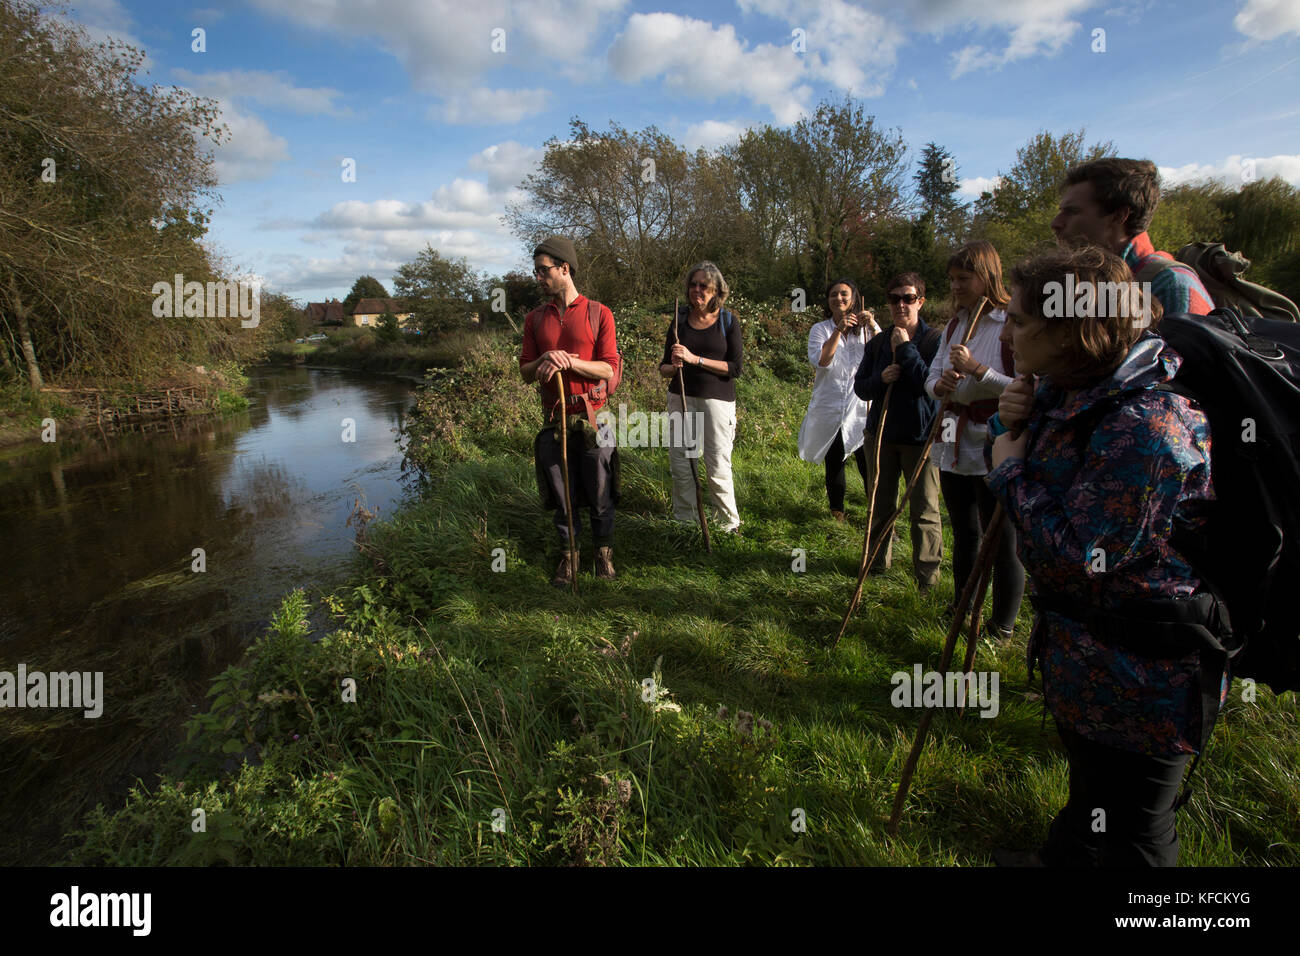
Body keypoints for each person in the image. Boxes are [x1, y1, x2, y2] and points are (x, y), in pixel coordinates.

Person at [986, 245, 1219, 867]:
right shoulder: (1073, 391)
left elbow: (1081, 556)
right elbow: (1041, 459)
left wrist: (1007, 475)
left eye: (1020, 321)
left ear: (1069, 332)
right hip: (1087, 658)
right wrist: (1013, 420)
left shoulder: (1147, 426)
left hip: (1147, 675)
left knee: (1140, 830)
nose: (1006, 333)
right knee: (1091, 795)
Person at [925, 241, 1025, 638]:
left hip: (993, 441)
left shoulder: (1008, 325)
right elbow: (930, 375)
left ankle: (1001, 625)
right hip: (953, 439)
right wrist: (940, 384)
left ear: (987, 276)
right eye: (951, 279)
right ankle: (961, 602)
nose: (955, 286)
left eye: (963, 278)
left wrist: (977, 370)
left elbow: (1023, 387)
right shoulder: (955, 324)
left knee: (1000, 535)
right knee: (964, 528)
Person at [519, 235, 620, 586]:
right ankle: (568, 560)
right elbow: (525, 372)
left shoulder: (599, 313)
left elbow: (608, 369)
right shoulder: (534, 320)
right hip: (555, 420)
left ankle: (603, 557)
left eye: (543, 270)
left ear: (565, 269)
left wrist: (571, 363)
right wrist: (546, 358)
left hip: (597, 418)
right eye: (535, 271)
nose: (538, 278)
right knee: (563, 496)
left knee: (602, 491)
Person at [853, 272, 943, 591]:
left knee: (925, 511)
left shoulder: (935, 341)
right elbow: (861, 388)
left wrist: (905, 351)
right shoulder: (877, 342)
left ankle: (928, 578)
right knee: (880, 505)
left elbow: (930, 385)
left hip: (921, 440)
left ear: (920, 301)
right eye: (894, 299)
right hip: (880, 437)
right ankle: (877, 564)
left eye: (908, 298)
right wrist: (882, 379)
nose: (900, 305)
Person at [1051, 157, 1213, 317]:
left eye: (1072, 212)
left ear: (1118, 216)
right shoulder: (1084, 281)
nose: (1056, 223)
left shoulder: (1171, 285)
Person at [658, 262, 743, 533]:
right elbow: (663, 369)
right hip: (681, 399)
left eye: (703, 285)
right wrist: (675, 365)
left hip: (717, 403)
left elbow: (735, 368)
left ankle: (727, 525)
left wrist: (695, 359)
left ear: (716, 290)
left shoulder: (728, 321)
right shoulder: (679, 320)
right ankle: (686, 521)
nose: (697, 290)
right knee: (681, 464)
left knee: (717, 464)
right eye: (693, 285)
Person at [797, 278, 881, 522]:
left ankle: (876, 514)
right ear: (828, 300)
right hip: (830, 406)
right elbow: (822, 361)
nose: (839, 299)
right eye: (833, 294)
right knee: (834, 461)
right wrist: (838, 330)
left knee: (869, 465)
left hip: (861, 407)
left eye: (844, 294)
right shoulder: (820, 329)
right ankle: (837, 514)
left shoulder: (866, 330)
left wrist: (873, 324)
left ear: (853, 298)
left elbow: (885, 352)